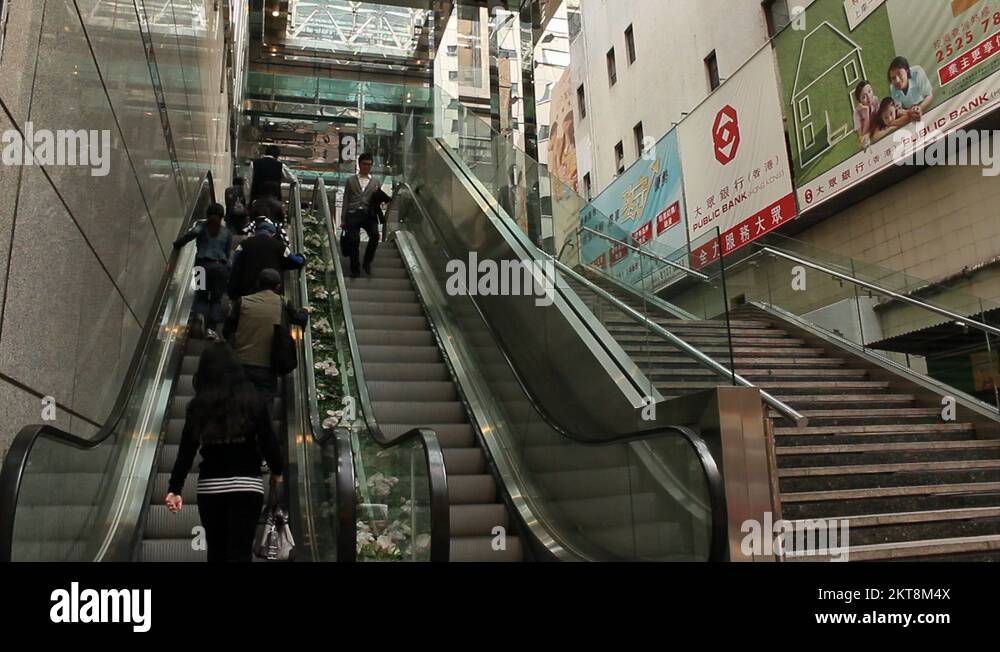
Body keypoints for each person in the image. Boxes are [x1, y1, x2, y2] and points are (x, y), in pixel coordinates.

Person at [164, 343, 284, 563]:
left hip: (211, 488)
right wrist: (277, 471)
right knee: (240, 553)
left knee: (217, 553)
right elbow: (269, 441)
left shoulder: (198, 406)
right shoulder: (253, 400)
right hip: (248, 485)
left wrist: (175, 488)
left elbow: (186, 450)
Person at [224, 269, 310, 409]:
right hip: (267, 366)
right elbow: (299, 319)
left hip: (240, 363)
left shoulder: (243, 301)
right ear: (278, 287)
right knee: (263, 409)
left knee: (237, 405)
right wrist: (305, 311)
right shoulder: (283, 302)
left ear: (258, 283)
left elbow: (227, 330)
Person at [173, 203, 232, 338]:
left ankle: (199, 318)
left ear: (207, 214)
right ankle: (211, 330)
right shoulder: (227, 233)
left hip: (201, 267)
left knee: (201, 296)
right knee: (216, 300)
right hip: (220, 269)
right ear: (222, 216)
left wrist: (177, 244)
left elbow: (192, 234)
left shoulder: (202, 227)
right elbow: (227, 254)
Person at [342, 152, 391, 277]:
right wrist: (343, 219)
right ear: (359, 164)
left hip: (369, 214)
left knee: (375, 236)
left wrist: (379, 192)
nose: (366, 167)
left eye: (369, 165)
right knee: (354, 240)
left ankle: (367, 262)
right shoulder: (350, 180)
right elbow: (346, 199)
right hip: (353, 213)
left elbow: (379, 199)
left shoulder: (376, 181)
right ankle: (355, 269)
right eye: (364, 164)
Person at [228, 221, 305, 300]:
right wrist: (301, 257)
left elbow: (235, 259)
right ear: (273, 234)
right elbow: (296, 261)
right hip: (270, 292)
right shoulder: (279, 246)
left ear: (256, 232)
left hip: (246, 290)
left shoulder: (244, 244)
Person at [888, 56, 934, 120]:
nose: (897, 80)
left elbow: (929, 95)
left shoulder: (917, 72)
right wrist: (909, 112)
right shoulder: (892, 87)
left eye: (899, 74)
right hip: (909, 112)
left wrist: (920, 108)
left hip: (925, 105)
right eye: (893, 78)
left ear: (906, 70)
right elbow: (898, 110)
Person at [853, 80, 880, 150]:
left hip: (876, 132)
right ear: (859, 101)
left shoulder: (875, 100)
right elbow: (862, 139)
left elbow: (880, 120)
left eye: (869, 91)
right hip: (868, 141)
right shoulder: (857, 113)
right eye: (864, 97)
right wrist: (866, 115)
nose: (869, 97)